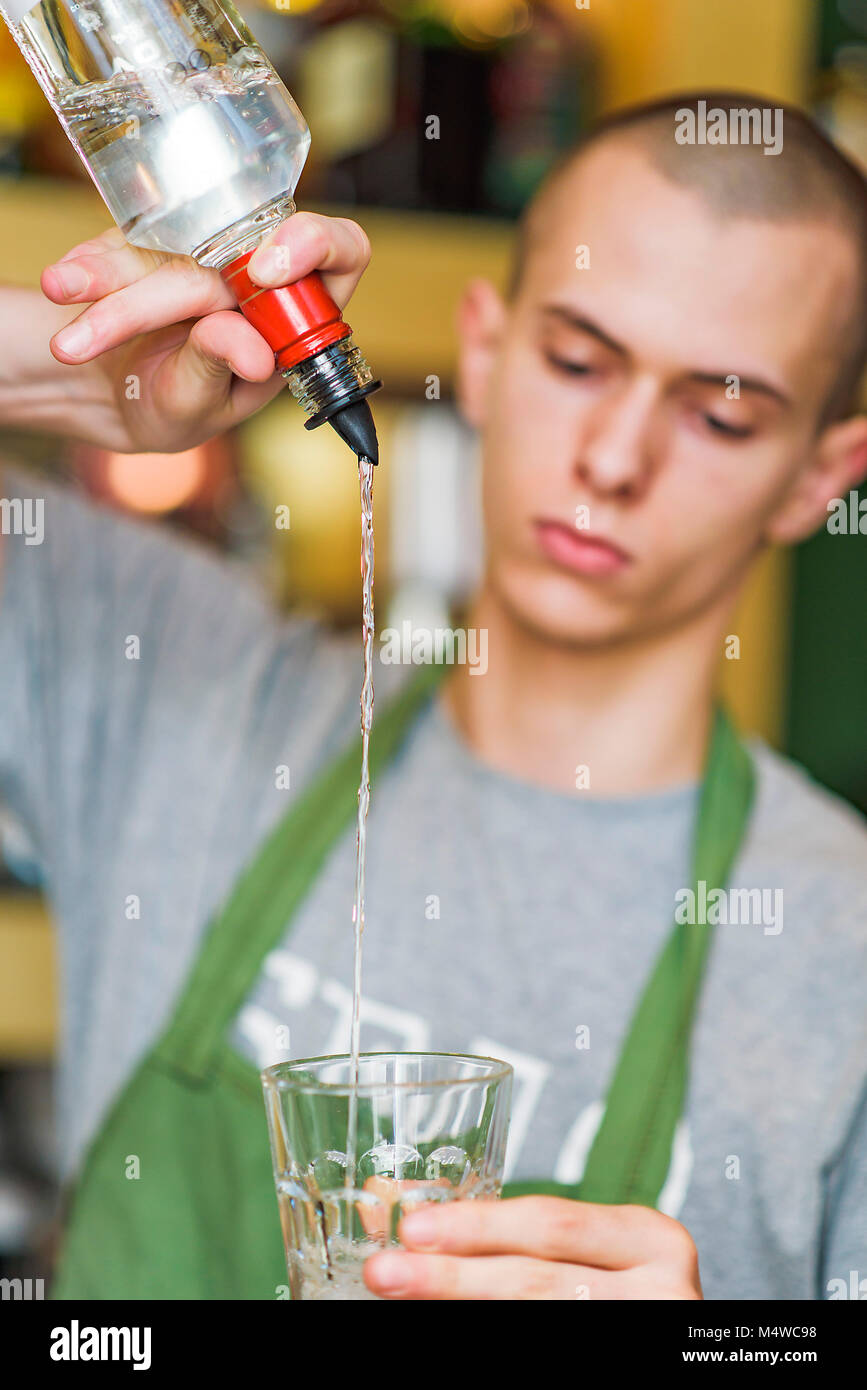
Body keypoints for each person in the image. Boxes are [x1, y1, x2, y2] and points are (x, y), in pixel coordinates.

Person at [1, 92, 866, 1301]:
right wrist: (58, 370)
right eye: (577, 360)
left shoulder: (844, 956)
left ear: (820, 478)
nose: (615, 460)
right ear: (485, 349)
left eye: (719, 413)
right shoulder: (173, 688)